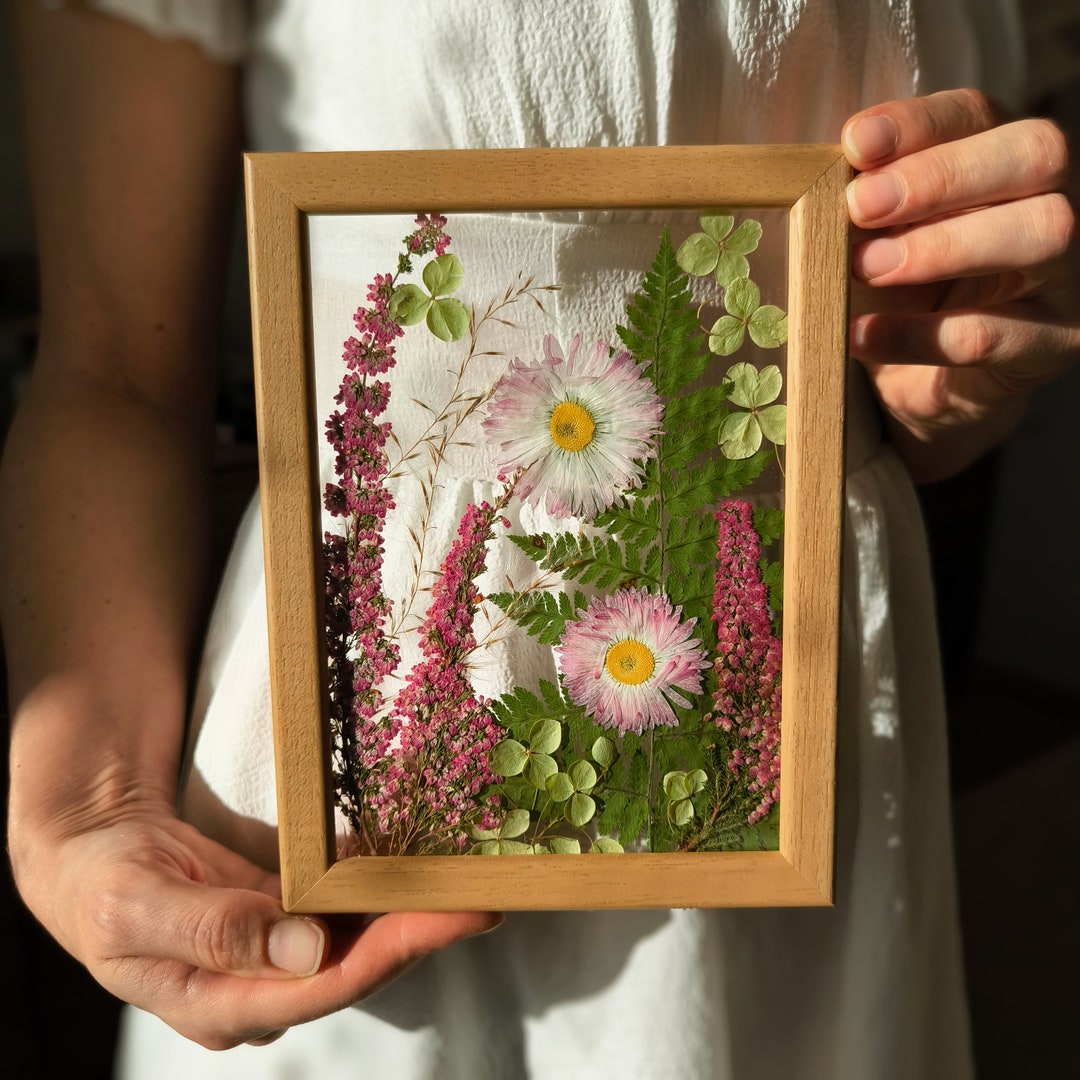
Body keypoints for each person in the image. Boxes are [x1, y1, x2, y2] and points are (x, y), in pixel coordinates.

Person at [2, 1, 1076, 1077]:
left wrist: (969, 361)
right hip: (349, 751)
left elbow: (934, 369)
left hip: (798, 718)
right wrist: (85, 800)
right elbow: (116, 371)